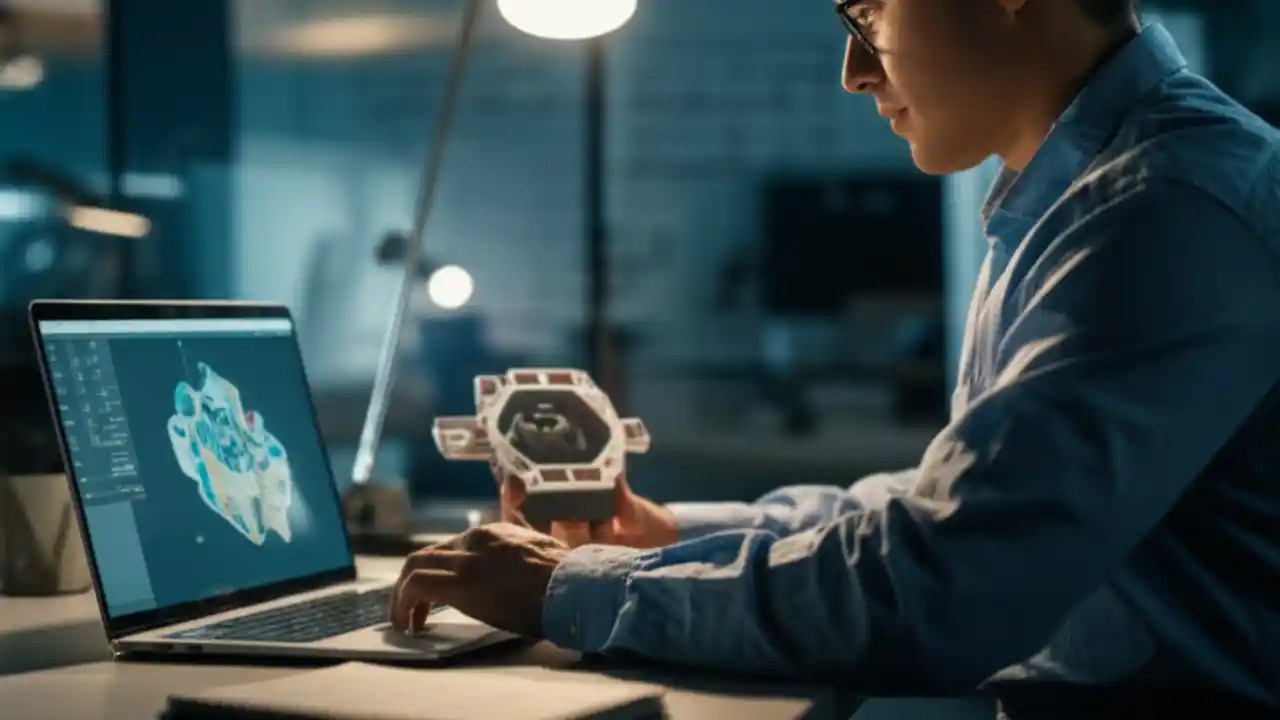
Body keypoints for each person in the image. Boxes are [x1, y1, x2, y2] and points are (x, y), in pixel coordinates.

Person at [392, 0, 1280, 715]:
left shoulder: (1166, 213)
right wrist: (669, 538)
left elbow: (945, 588)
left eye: (867, 18)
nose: (854, 74)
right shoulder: (1091, 197)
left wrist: (576, 591)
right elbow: (958, 506)